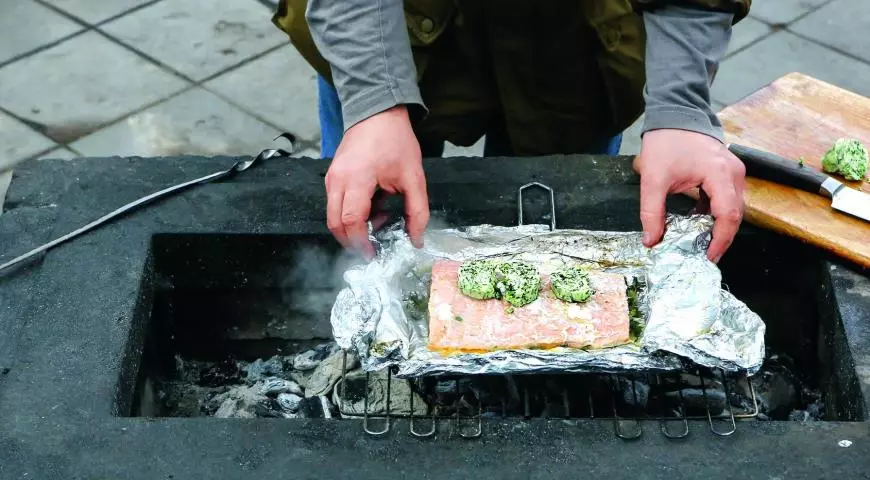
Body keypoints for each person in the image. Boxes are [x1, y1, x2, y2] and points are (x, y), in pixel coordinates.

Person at [272, 0, 750, 262]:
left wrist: (681, 106)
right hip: (381, 35)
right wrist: (373, 101)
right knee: (361, 225)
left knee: (566, 241)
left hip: (577, 58)